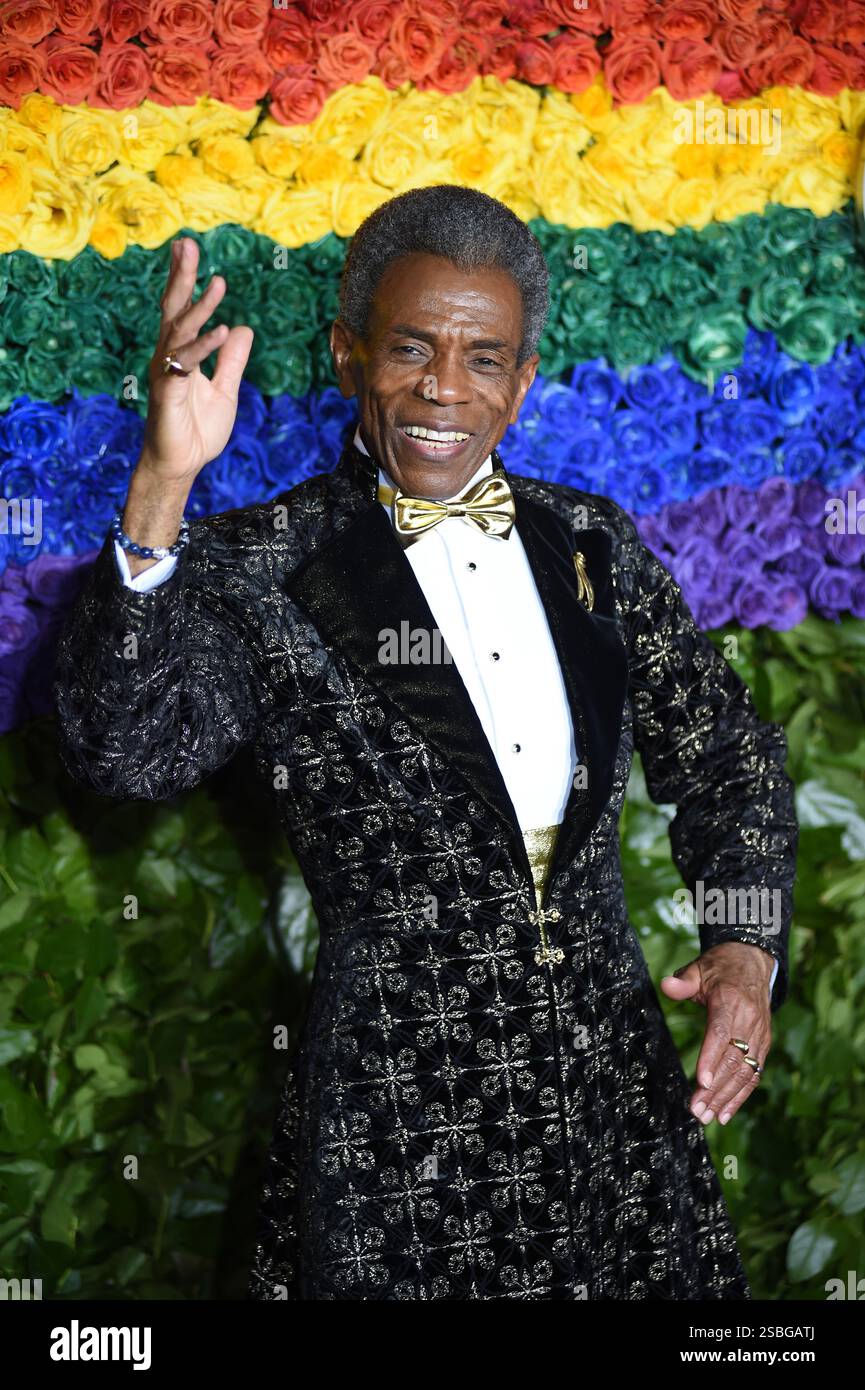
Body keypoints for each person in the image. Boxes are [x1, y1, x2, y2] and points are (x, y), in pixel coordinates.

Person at [53, 185, 798, 1301]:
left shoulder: (594, 544)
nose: (445, 388)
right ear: (348, 355)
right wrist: (164, 480)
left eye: (483, 358)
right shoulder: (258, 562)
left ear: (522, 381)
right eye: (410, 348)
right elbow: (126, 749)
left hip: (622, 1122)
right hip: (400, 1136)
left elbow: (727, 755)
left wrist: (743, 949)